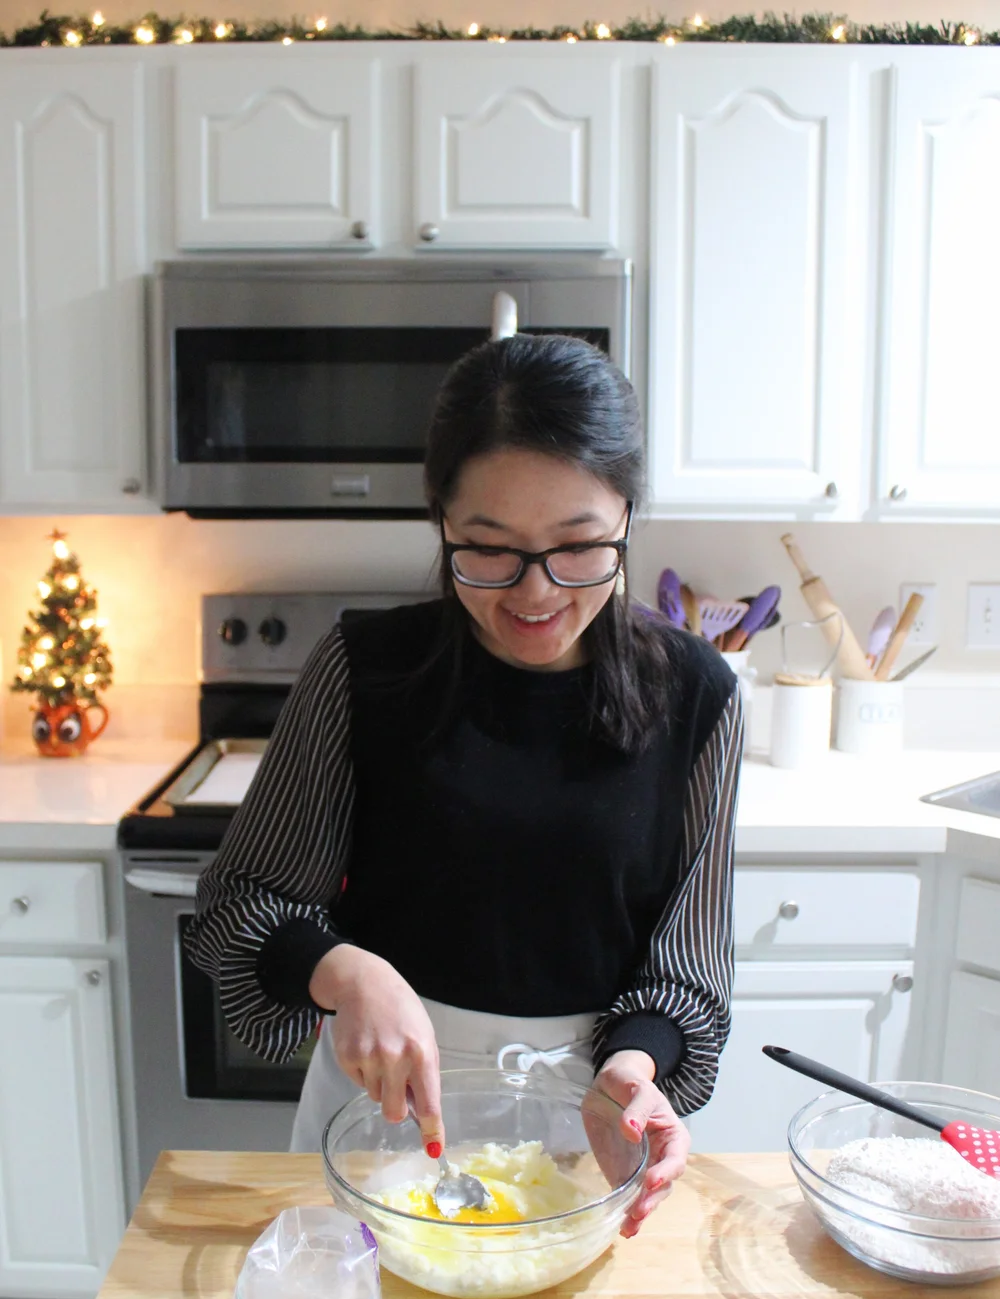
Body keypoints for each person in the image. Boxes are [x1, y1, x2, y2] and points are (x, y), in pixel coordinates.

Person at [186, 332, 743, 1238]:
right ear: (440, 519)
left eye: (579, 548)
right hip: (383, 1118)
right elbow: (237, 903)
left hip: (585, 1132)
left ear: (629, 517)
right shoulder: (364, 671)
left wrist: (637, 1069)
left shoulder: (697, 695)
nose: (537, 594)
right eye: (487, 550)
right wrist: (345, 970)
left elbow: (690, 964)